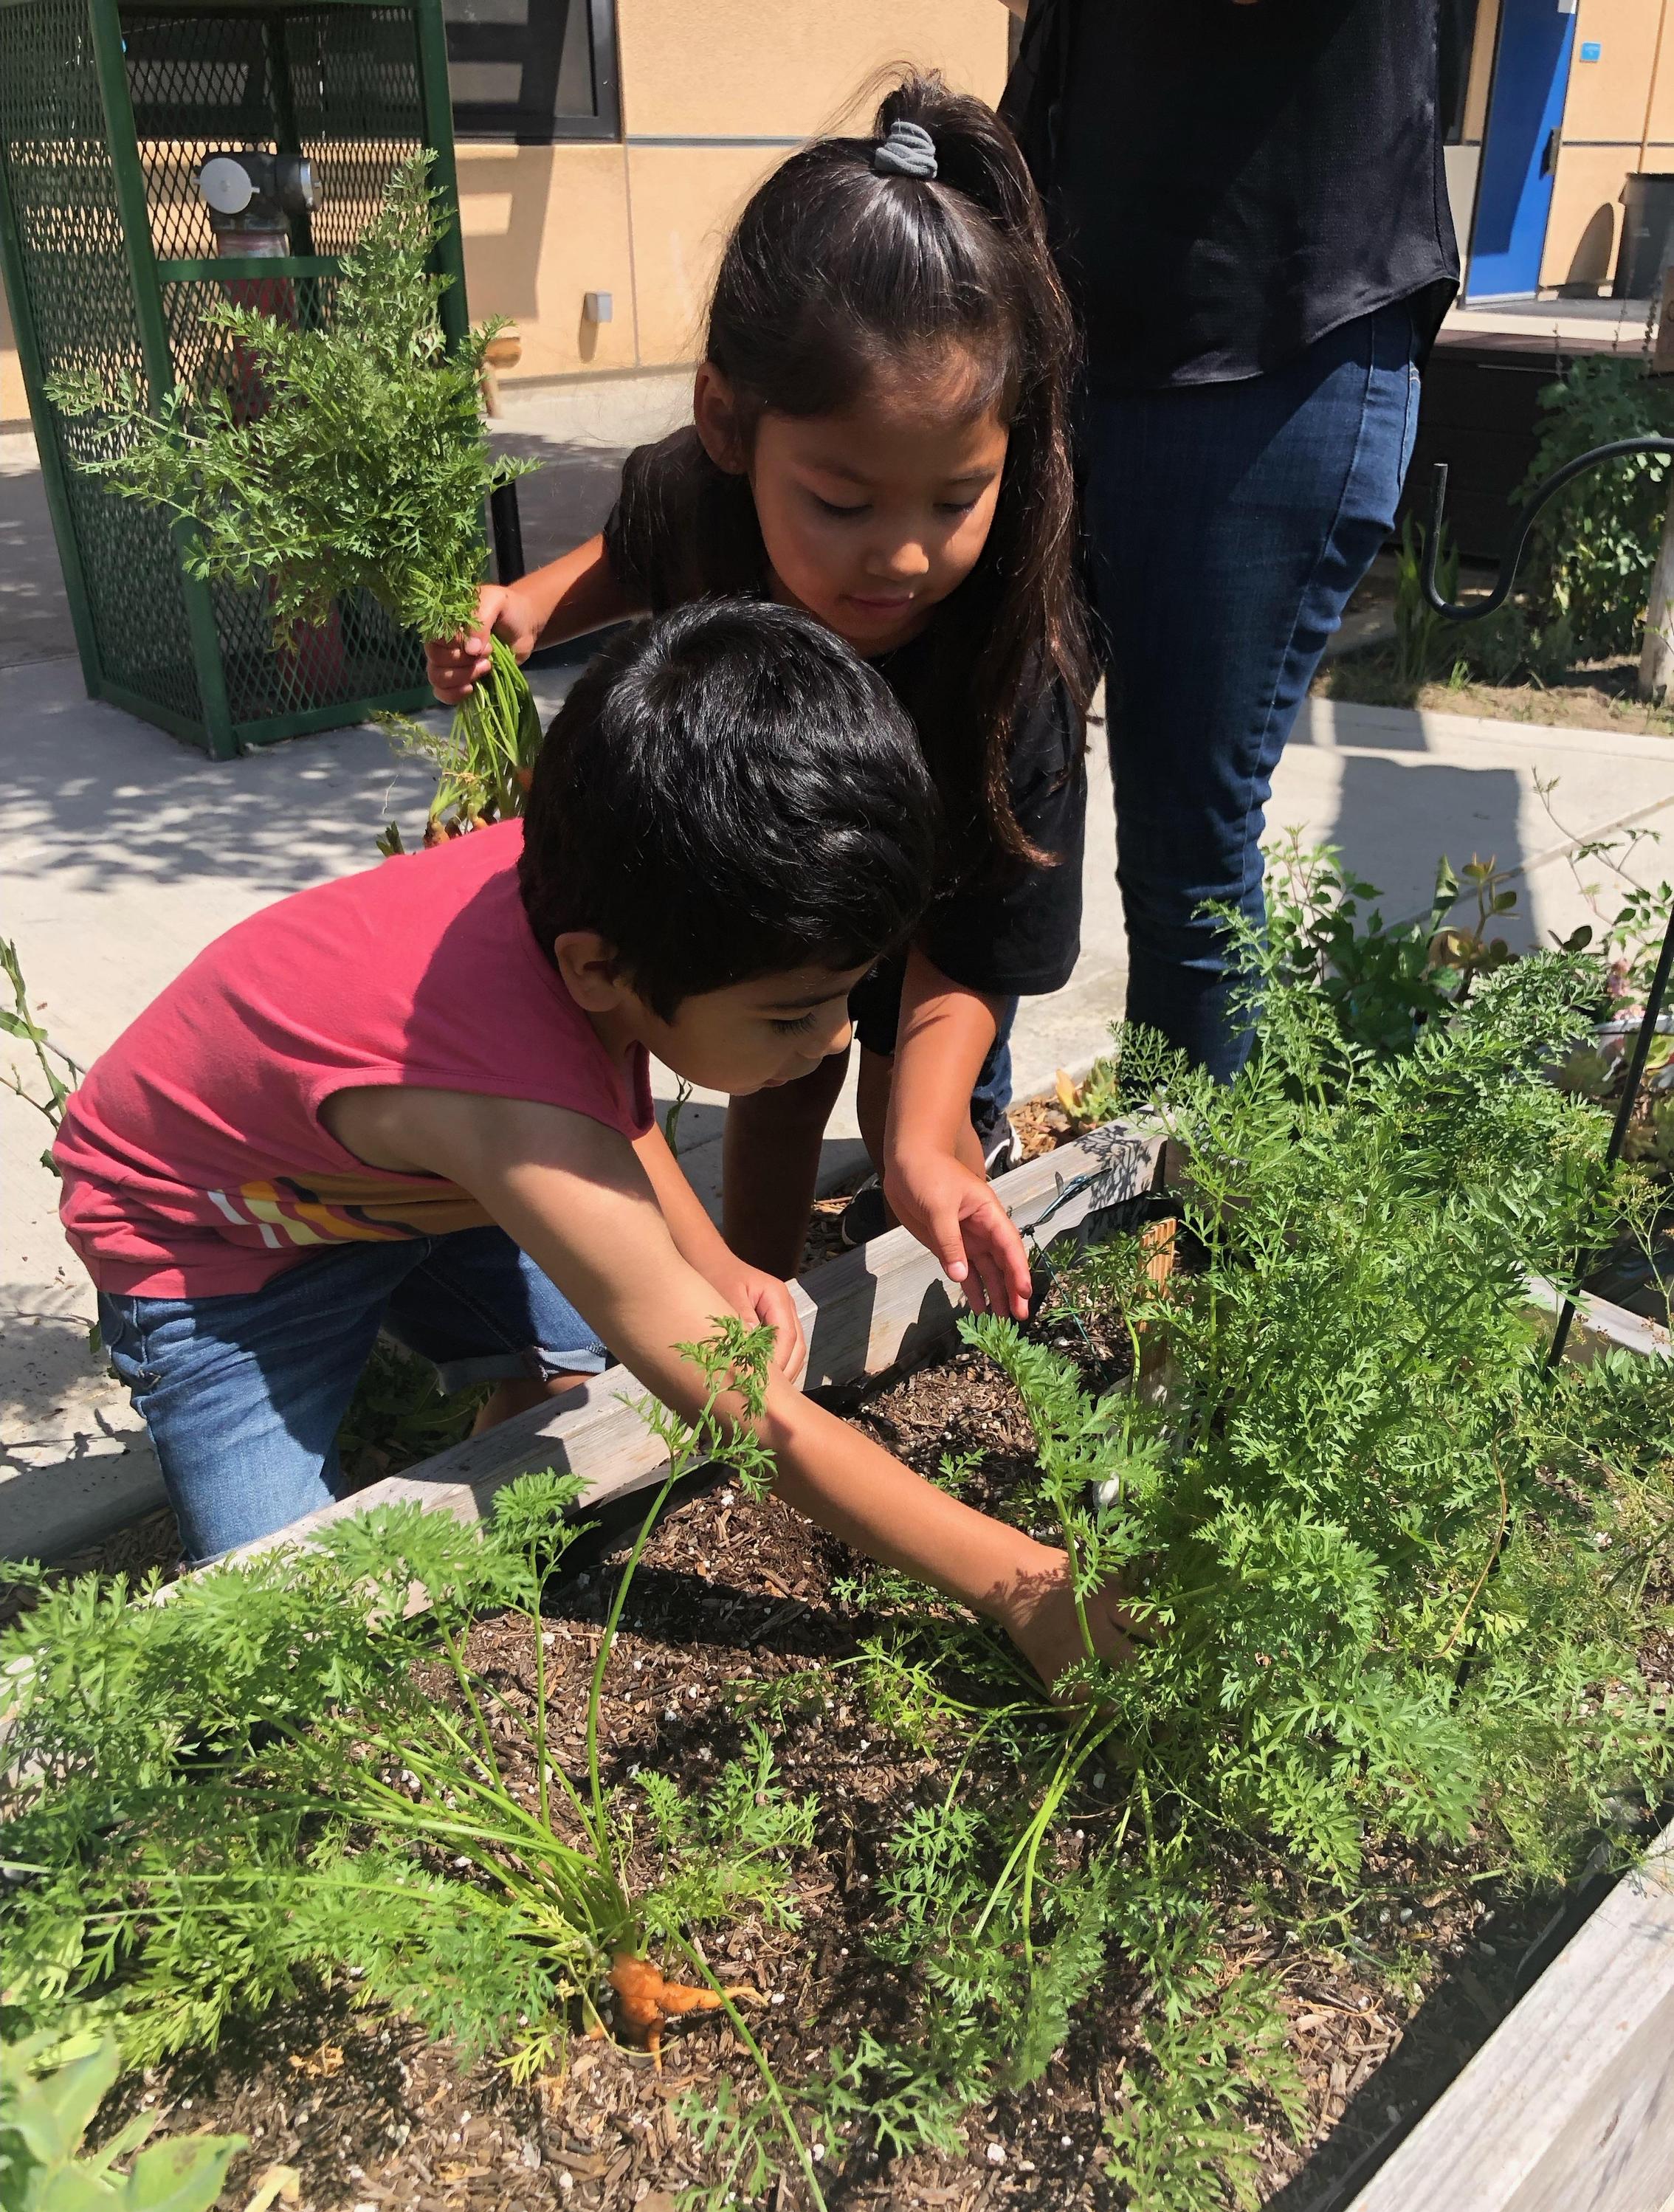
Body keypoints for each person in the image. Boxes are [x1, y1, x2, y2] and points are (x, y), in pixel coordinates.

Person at [57, 601, 1127, 1687]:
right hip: (213, 1238)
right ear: (596, 969)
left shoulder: (599, 877)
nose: (838, 1039)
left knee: (571, 1373)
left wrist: (712, 1261)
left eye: (850, 995)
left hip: (414, 1172)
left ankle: (501, 1511)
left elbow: (597, 1074)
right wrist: (1023, 1585)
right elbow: (748, 1417)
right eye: (792, 1012)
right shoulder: (514, 1104)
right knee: (270, 1622)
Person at [428, 75, 1093, 1316]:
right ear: (728, 426)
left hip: (939, 895)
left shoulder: (1016, 657)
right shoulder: (703, 496)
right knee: (784, 1067)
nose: (902, 554)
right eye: (842, 503)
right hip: (781, 865)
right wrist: (523, 611)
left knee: (916, 1112)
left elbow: (983, 942)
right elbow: (635, 550)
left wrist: (921, 1135)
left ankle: (934, 1194)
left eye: (956, 499)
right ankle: (762, 1278)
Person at [1000, 0, 1458, 1078]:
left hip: (1272, 329)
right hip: (1052, 311)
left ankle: (1188, 1217)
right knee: (990, 797)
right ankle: (951, 1171)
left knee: (1182, 847)